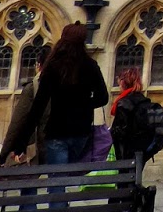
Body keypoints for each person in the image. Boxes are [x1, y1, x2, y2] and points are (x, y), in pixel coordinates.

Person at [6, 22, 108, 167]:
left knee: (57, 177)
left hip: (57, 131)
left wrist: (21, 143)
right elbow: (103, 98)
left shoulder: (53, 66)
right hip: (81, 132)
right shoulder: (90, 65)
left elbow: (38, 106)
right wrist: (84, 104)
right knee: (72, 174)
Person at [0, 45, 51, 166]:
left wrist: (5, 153)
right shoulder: (68, 84)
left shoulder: (33, 88)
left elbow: (18, 123)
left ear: (38, 65)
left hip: (40, 146)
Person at [109, 67, 150, 160]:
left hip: (126, 150)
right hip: (141, 149)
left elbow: (119, 131)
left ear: (123, 83)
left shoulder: (124, 103)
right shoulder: (143, 100)